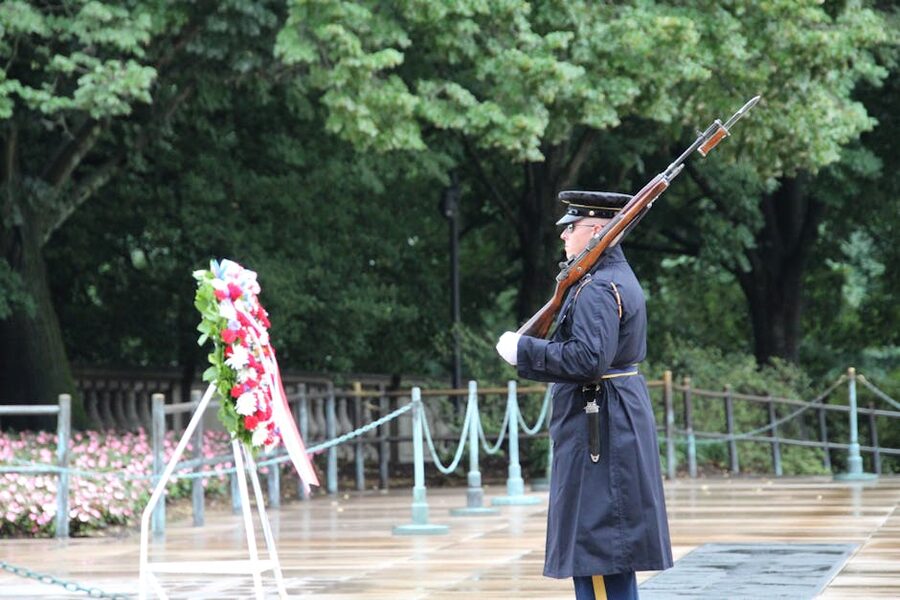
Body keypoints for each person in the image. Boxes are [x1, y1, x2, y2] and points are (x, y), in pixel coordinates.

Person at [495, 190, 673, 600]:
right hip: (609, 421)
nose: (564, 237)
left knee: (597, 553)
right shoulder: (609, 279)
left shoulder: (598, 287)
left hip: (601, 427)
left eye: (570, 228)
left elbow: (588, 359)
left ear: (597, 231)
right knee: (607, 556)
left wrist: (525, 350)